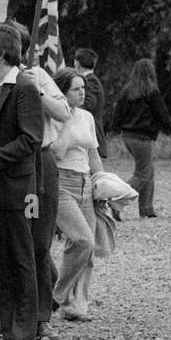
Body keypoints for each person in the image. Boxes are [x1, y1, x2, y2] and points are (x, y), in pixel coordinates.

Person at [0, 24, 43, 340]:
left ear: (1, 53)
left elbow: (31, 139)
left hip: (16, 186)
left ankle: (23, 328)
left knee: (21, 255)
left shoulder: (24, 87)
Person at [5, 21, 70, 340]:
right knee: (9, 242)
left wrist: (36, 89)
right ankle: (9, 311)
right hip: (8, 162)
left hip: (39, 161)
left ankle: (41, 312)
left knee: (39, 240)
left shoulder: (38, 75)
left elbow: (63, 112)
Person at [50, 68, 104, 322]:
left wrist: (101, 182)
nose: (82, 93)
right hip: (62, 182)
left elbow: (93, 154)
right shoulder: (53, 118)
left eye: (83, 88)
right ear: (62, 92)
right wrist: (65, 120)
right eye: (75, 89)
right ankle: (57, 295)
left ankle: (77, 303)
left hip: (86, 183)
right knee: (83, 240)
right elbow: (56, 153)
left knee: (87, 251)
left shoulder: (88, 117)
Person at [114, 58, 171, 218]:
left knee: (149, 170)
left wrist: (115, 129)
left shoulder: (127, 90)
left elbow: (118, 114)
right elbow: (162, 113)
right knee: (142, 174)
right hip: (142, 139)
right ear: (151, 73)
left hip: (128, 137)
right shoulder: (151, 91)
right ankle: (115, 202)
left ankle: (146, 209)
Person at [73, 48, 107, 156]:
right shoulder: (90, 79)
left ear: (77, 63)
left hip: (91, 133)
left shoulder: (91, 81)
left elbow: (88, 104)